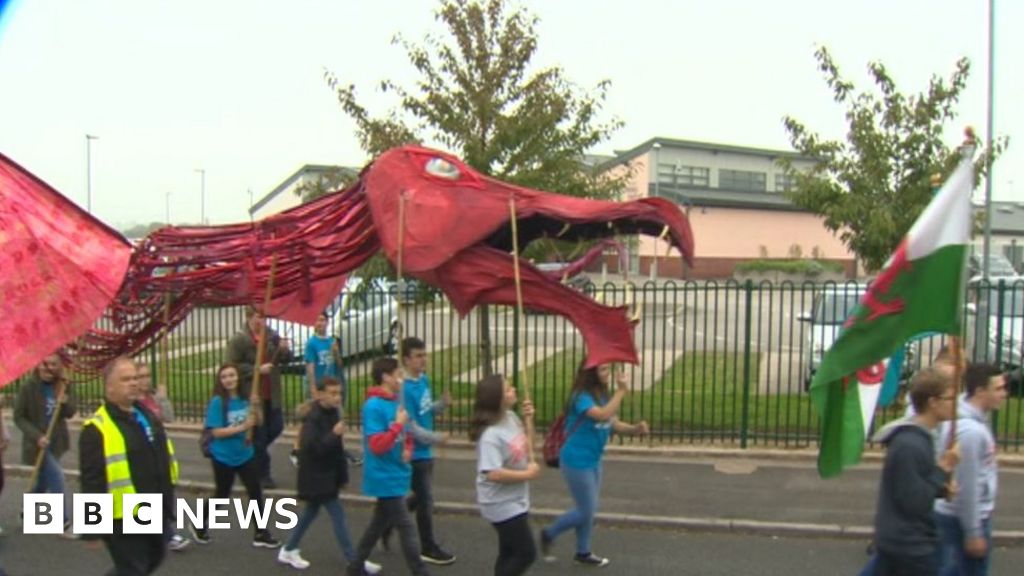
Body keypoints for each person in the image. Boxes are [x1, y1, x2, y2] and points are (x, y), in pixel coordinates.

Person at [540, 362, 649, 567]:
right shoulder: (580, 397)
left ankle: (583, 552)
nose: (608, 373)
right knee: (586, 510)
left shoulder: (602, 395)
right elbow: (601, 415)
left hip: (593, 459)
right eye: (603, 369)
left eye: (608, 369)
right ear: (591, 373)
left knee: (587, 508)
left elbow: (613, 423)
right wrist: (621, 391)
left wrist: (635, 429)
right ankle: (549, 533)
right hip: (576, 460)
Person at [79, 356, 179, 576]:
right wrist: (93, 527)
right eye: (125, 379)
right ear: (109, 388)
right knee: (134, 568)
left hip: (154, 506)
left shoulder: (145, 414)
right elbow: (92, 481)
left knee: (154, 557)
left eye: (135, 378)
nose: (133, 383)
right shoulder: (96, 429)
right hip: (123, 517)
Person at [277, 376, 381, 574]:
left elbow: (337, 451)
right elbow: (312, 449)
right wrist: (334, 434)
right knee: (338, 516)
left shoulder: (333, 413)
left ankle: (288, 549)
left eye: (339, 393)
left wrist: (342, 477)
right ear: (321, 394)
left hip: (327, 475)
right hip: (316, 476)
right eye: (333, 393)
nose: (337, 397)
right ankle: (354, 560)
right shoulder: (313, 418)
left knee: (310, 513)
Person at [869, 366, 961, 575]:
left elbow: (916, 483)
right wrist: (944, 467)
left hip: (902, 543)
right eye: (951, 398)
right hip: (909, 549)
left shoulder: (922, 438)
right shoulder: (910, 444)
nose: (956, 405)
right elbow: (914, 502)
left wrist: (942, 489)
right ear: (933, 402)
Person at [347, 358, 431, 576]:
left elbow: (407, 433)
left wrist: (408, 447)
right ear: (385, 377)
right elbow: (376, 445)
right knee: (406, 526)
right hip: (383, 475)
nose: (400, 379)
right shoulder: (373, 406)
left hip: (397, 472)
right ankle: (420, 571)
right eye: (397, 375)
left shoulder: (397, 403)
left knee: (378, 525)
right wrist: (397, 426)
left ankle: (355, 566)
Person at [189, 364, 280, 549]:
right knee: (222, 494)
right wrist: (241, 428)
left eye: (231, 375)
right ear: (220, 381)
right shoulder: (218, 402)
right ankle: (199, 523)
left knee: (255, 493)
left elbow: (259, 422)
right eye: (224, 377)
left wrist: (257, 406)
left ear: (237, 377)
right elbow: (215, 432)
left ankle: (261, 533)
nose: (229, 379)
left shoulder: (246, 399)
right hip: (223, 457)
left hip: (245, 454)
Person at [381, 337, 455, 565]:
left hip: (426, 452)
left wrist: (441, 405)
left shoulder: (424, 380)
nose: (424, 359)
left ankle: (388, 521)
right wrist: (436, 438)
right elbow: (409, 426)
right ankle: (428, 546)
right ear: (406, 359)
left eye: (425, 354)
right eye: (418, 356)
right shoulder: (404, 390)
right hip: (413, 453)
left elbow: (426, 409)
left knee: (420, 497)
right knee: (426, 501)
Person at [936, 363, 1007, 575]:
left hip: (960, 518)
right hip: (961, 520)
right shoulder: (971, 433)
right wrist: (973, 532)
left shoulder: (970, 422)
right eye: (998, 388)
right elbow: (968, 485)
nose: (1004, 394)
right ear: (979, 391)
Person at [469, 374, 539, 576]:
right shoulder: (491, 436)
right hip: (499, 502)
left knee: (509, 551)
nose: (514, 390)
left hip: (515, 498)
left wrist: (529, 421)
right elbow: (493, 473)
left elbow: (528, 446)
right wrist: (526, 474)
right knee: (526, 553)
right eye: (508, 389)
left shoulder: (510, 417)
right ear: (497, 398)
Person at [226, 306, 293, 489]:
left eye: (264, 317)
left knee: (276, 427)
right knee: (260, 435)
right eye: (258, 317)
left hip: (272, 393)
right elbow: (231, 367)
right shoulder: (239, 340)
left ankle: (251, 453)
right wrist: (256, 369)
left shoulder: (272, 335)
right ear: (249, 317)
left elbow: (284, 359)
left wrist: (285, 350)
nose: (262, 321)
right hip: (253, 395)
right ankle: (263, 475)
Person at [14, 352, 77, 536]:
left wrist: (64, 402)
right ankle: (64, 523)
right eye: (45, 364)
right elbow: (19, 417)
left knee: (43, 482)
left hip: (56, 442)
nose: (48, 368)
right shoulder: (28, 388)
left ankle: (27, 513)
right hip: (38, 444)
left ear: (59, 367)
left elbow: (70, 413)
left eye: (53, 365)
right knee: (57, 477)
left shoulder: (64, 385)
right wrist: (37, 436)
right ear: (38, 365)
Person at [290, 312, 361, 467]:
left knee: (338, 417)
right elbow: (310, 367)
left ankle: (341, 450)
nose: (320, 323)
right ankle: (296, 449)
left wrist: (336, 352)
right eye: (317, 320)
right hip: (319, 387)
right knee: (309, 419)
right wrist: (314, 390)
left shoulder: (332, 341)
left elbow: (340, 365)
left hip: (332, 387)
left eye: (322, 320)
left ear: (328, 322)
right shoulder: (312, 343)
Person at [134, 361, 190, 552]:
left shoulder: (153, 398)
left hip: (160, 451)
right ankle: (166, 534)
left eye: (147, 376)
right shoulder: (133, 403)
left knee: (163, 493)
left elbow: (169, 418)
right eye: (140, 376)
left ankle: (159, 532)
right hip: (142, 453)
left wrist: (163, 399)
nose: (145, 380)